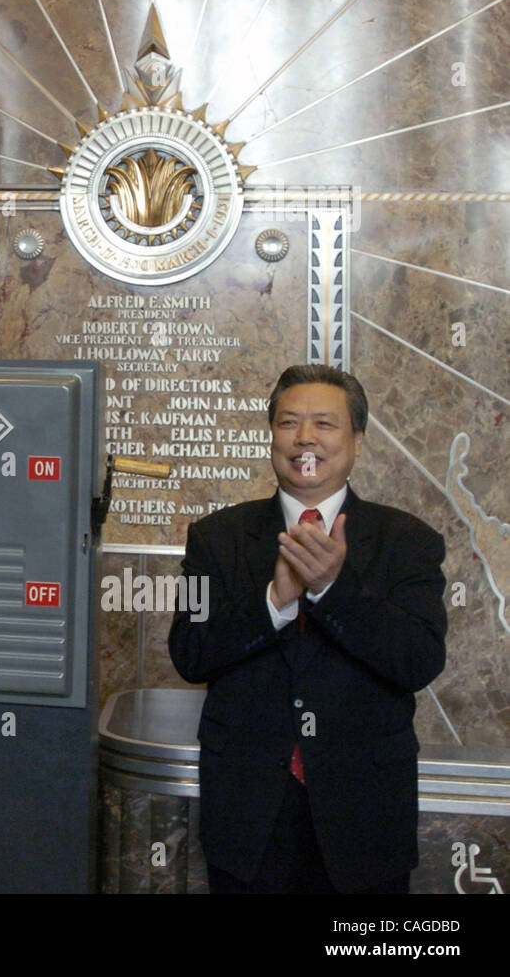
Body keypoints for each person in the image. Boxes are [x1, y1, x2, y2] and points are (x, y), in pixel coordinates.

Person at [168, 364, 447, 893]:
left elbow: (419, 658)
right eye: (289, 423)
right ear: (271, 436)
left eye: (324, 423)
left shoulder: (409, 542)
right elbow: (190, 650)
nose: (305, 439)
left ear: (357, 441)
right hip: (248, 819)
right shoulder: (214, 539)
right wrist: (275, 600)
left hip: (364, 818)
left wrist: (330, 590)